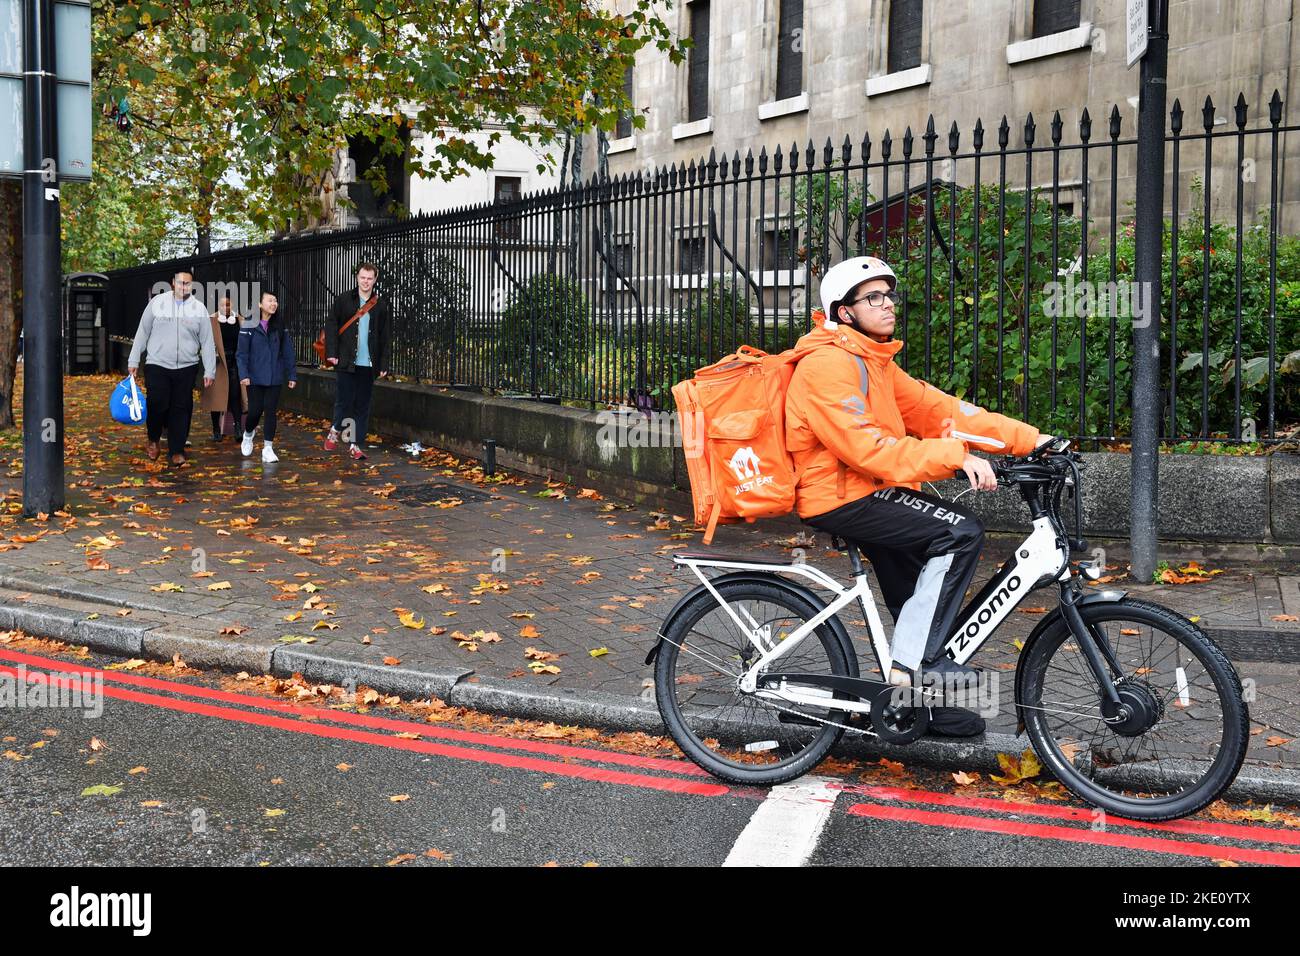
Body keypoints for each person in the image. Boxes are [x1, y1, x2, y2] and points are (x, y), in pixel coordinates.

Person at [786, 256, 1045, 736]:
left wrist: (1033, 441)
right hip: (841, 495)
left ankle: (920, 703)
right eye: (874, 298)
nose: (889, 306)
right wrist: (954, 457)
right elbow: (867, 449)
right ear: (844, 312)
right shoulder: (826, 364)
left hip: (875, 491)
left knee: (920, 600)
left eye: (889, 296)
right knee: (960, 531)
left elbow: (941, 410)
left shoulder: (875, 363)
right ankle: (920, 666)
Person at [127, 269, 216, 466]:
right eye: (180, 282)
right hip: (157, 363)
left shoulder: (199, 309)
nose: (184, 286)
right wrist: (134, 360)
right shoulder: (157, 304)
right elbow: (142, 332)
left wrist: (210, 369)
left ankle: (177, 450)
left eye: (188, 283)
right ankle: (153, 439)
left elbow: (207, 341)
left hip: (187, 366)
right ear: (172, 283)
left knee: (181, 408)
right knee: (157, 403)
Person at [323, 262, 390, 461]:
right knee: (344, 402)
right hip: (346, 361)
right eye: (363, 277)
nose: (366, 282)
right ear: (357, 278)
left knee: (362, 405)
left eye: (370, 278)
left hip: (368, 364)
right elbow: (332, 326)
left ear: (375, 280)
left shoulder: (381, 305)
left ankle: (355, 444)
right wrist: (332, 352)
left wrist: (384, 363)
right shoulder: (344, 300)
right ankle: (335, 429)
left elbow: (384, 336)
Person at [236, 289, 297, 463]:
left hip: (275, 376)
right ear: (260, 304)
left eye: (275, 301)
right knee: (254, 411)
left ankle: (268, 448)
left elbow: (288, 351)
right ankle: (248, 434)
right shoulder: (249, 324)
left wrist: (292, 374)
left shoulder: (279, 325)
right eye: (270, 300)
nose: (273, 304)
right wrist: (244, 374)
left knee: (271, 411)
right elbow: (242, 353)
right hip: (254, 377)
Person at [201, 296, 242, 442]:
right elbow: (206, 341)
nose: (225, 307)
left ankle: (238, 428)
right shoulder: (212, 321)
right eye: (222, 304)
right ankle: (216, 430)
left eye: (228, 304)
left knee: (235, 395)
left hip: (234, 362)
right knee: (217, 397)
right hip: (218, 363)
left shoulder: (239, 320)